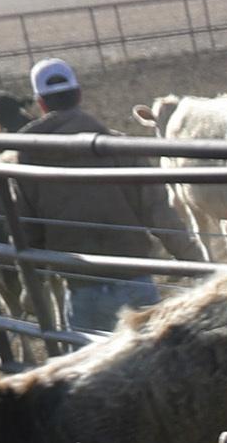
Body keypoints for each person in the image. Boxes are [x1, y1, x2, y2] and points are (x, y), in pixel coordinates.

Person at [14, 58, 164, 336]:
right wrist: (195, 261)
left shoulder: (26, 159)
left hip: (81, 289)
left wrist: (31, 288)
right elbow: (157, 209)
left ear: (41, 104)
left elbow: (27, 231)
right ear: (79, 95)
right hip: (135, 279)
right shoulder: (118, 146)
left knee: (87, 370)